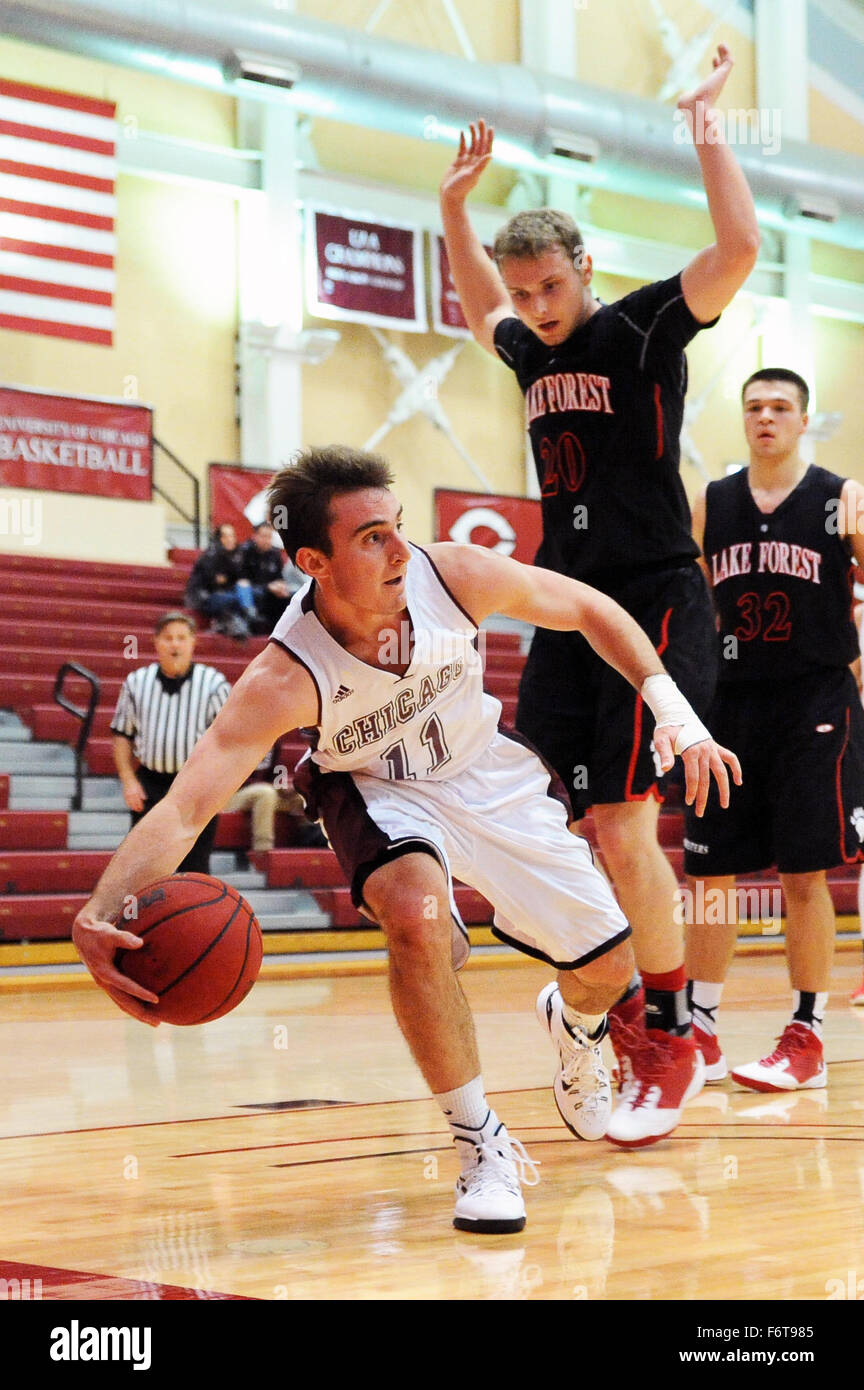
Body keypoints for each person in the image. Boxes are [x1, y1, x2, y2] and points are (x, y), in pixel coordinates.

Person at [73, 446, 738, 1231]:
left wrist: (677, 714)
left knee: (606, 970)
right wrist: (101, 910)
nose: (399, 549)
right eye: (371, 539)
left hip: (485, 770)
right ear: (314, 561)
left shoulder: (454, 574)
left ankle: (576, 1020)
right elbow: (184, 809)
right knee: (416, 920)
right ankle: (480, 1144)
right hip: (375, 787)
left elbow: (592, 608)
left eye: (397, 527)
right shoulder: (286, 676)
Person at [439, 45, 759, 1144]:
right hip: (563, 600)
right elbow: (482, 302)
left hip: (658, 594)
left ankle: (673, 1035)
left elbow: (741, 245)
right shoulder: (532, 348)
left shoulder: (643, 328)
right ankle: (617, 999)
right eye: (528, 293)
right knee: (560, 816)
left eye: (552, 286)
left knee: (625, 819)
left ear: (586, 265)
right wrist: (453, 212)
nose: (537, 306)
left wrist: (704, 120)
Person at [684, 369, 864, 1089]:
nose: (766, 417)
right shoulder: (714, 501)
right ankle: (698, 1027)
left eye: (781, 407)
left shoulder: (837, 496)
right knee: (709, 874)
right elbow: (695, 600)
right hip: (731, 701)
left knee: (802, 873)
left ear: (804, 420)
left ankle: (807, 1034)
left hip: (815, 699)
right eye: (755, 406)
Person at [111, 611, 231, 874]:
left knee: (195, 870)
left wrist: (220, 787)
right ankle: (146, 916)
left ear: (192, 642)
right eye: (168, 638)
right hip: (150, 784)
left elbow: (229, 742)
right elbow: (122, 734)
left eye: (181, 638)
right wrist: (128, 780)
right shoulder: (136, 682)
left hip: (195, 787)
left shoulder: (214, 684)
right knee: (142, 869)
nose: (174, 644)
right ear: (156, 642)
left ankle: (192, 915)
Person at [224, 741, 328, 853]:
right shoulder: (239, 740)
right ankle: (262, 849)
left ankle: (311, 841)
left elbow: (275, 775)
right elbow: (232, 780)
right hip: (230, 796)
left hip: (262, 793)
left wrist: (283, 787)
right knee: (265, 792)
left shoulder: (274, 742)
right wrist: (273, 787)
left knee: (302, 795)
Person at [184, 523, 256, 639]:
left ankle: (247, 613)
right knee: (235, 598)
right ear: (218, 539)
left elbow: (238, 578)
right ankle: (246, 614)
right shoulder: (210, 556)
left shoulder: (238, 555)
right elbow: (212, 581)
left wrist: (228, 580)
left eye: (232, 536)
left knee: (245, 589)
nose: (230, 540)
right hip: (205, 596)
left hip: (226, 593)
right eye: (225, 536)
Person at [237, 521, 294, 633]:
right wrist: (268, 587)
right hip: (252, 590)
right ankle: (252, 618)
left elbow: (279, 577)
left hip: (272, 590)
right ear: (255, 536)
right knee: (250, 590)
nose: (267, 540)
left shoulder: (275, 554)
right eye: (263, 536)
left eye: (269, 537)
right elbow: (242, 581)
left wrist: (280, 586)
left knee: (293, 595)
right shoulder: (245, 552)